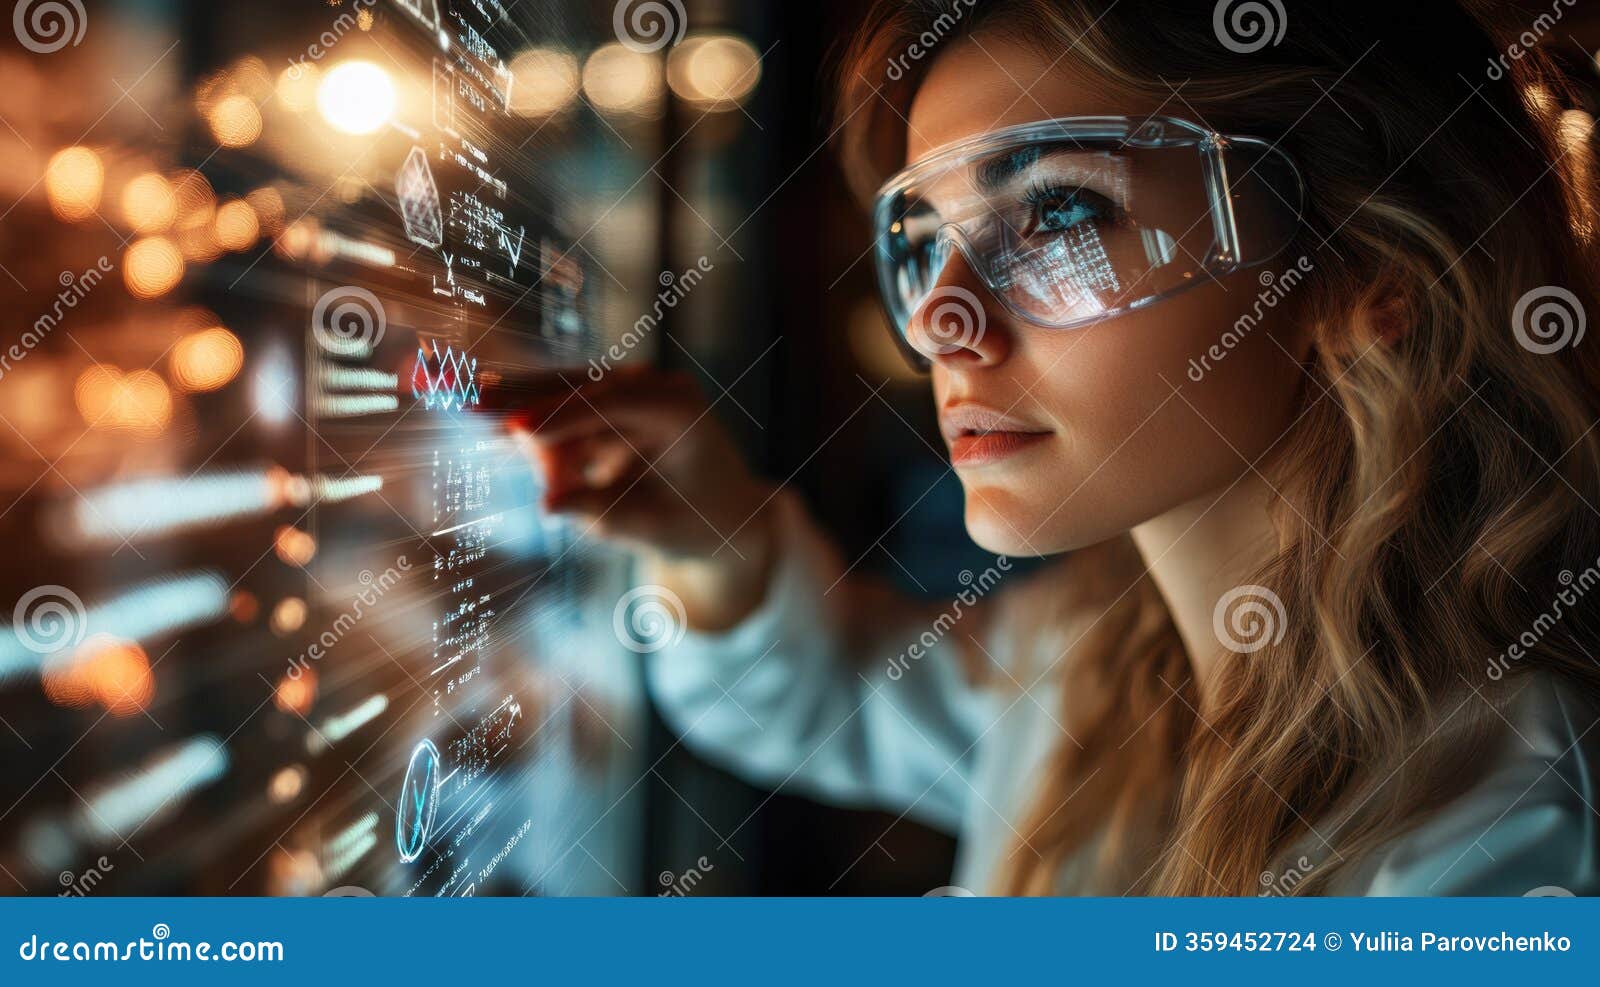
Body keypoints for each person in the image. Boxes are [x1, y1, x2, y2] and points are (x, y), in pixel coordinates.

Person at [505, 0, 1600, 895]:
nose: (940, 319)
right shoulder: (1104, 661)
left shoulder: (1499, 847)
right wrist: (712, 537)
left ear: (1370, 273)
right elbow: (828, 696)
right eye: (922, 241)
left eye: (1061, 214)